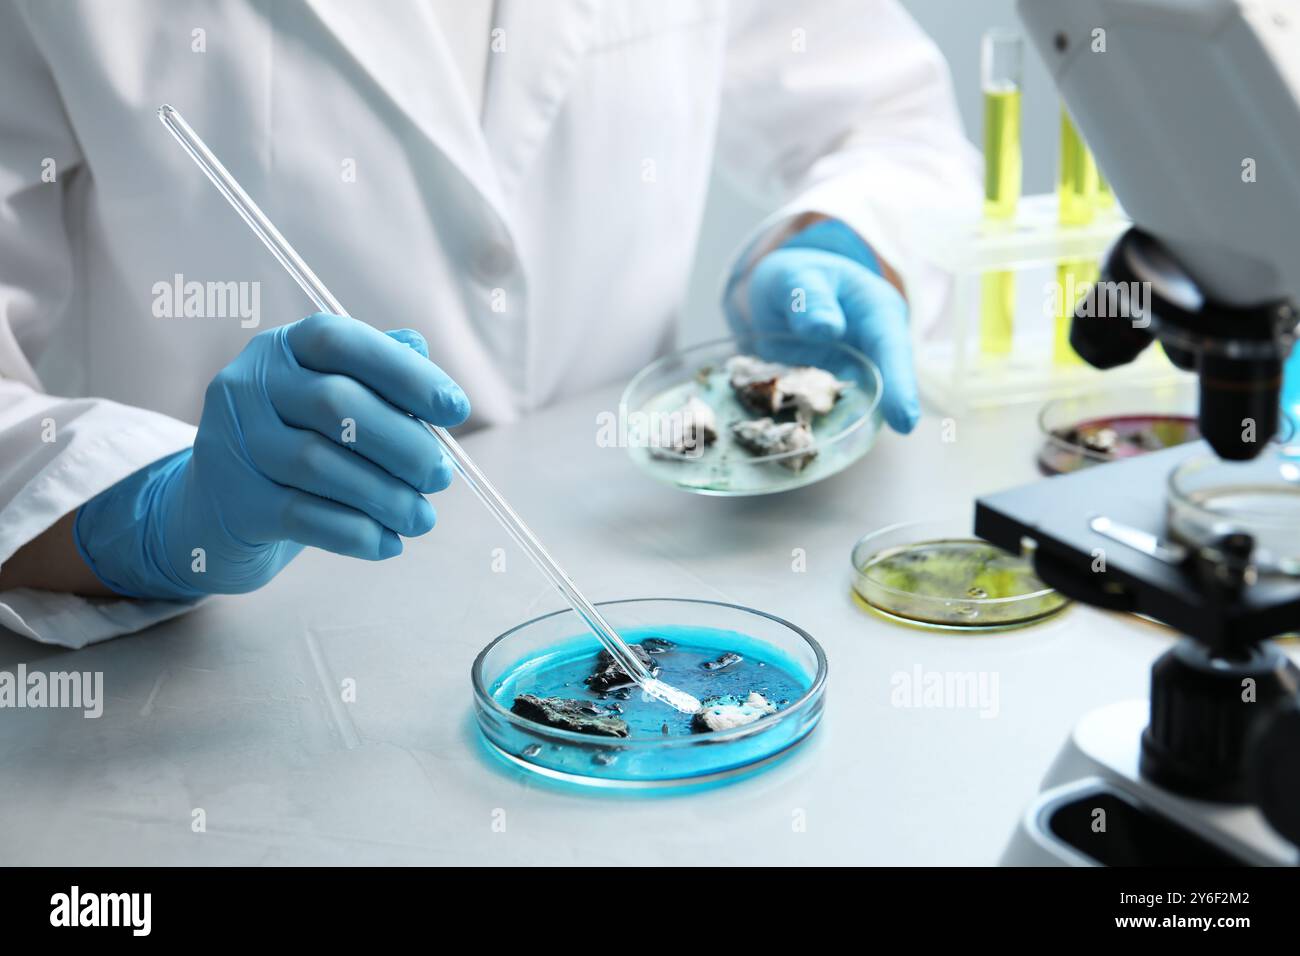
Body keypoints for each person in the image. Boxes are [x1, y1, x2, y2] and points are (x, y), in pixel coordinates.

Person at [0, 0, 979, 648]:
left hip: (655, 574)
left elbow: (882, 118)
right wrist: (154, 515)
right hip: (238, 662)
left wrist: (843, 238)